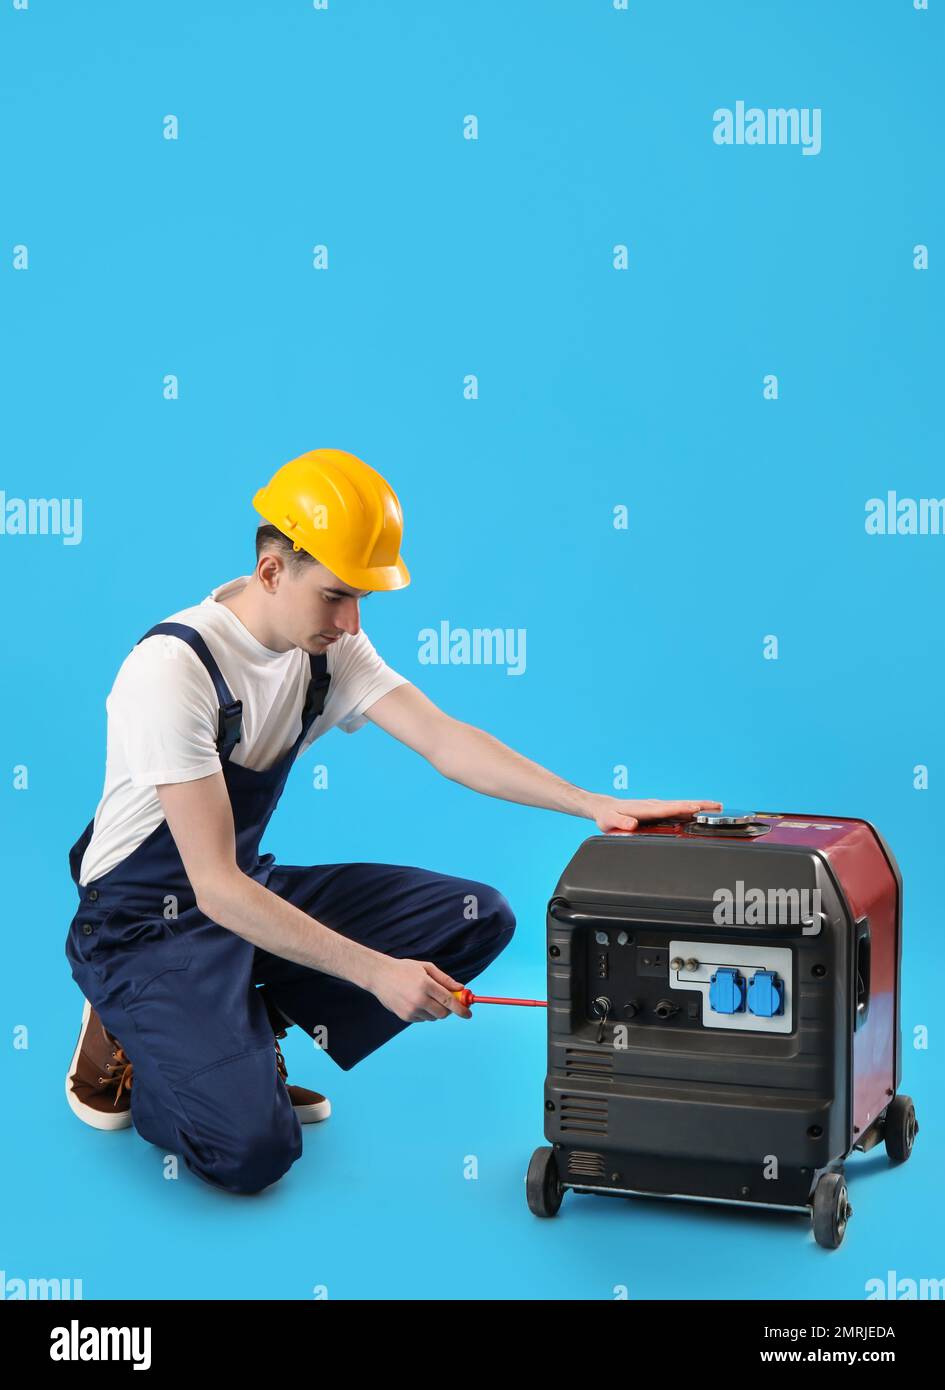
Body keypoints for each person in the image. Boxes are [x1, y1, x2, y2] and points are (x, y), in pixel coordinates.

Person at [64, 447, 720, 1195]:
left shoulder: (326, 650)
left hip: (243, 896)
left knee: (479, 919)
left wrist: (591, 803)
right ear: (273, 570)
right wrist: (377, 974)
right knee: (251, 1151)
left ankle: (239, 1028)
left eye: (361, 602)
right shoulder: (173, 670)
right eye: (336, 597)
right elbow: (210, 886)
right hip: (145, 924)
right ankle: (132, 1034)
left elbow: (445, 741)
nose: (349, 622)